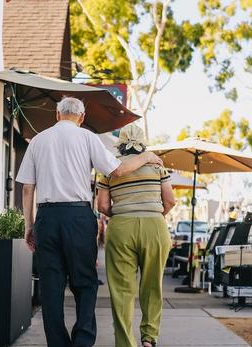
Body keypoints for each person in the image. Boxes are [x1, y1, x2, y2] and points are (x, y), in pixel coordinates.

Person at [16, 97, 163, 347]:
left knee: (51, 288)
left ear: (56, 114)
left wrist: (29, 225)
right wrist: (147, 156)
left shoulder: (38, 140)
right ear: (82, 117)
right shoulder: (87, 138)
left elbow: (27, 188)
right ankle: (82, 341)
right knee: (85, 283)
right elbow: (116, 170)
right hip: (78, 217)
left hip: (47, 218)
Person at [96, 124, 176, 347]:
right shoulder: (157, 166)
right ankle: (149, 337)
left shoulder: (110, 168)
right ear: (143, 142)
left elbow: (102, 205)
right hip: (155, 227)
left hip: (121, 228)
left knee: (121, 290)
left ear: (119, 142)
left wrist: (123, 212)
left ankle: (125, 343)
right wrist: (153, 213)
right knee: (152, 285)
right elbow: (169, 201)